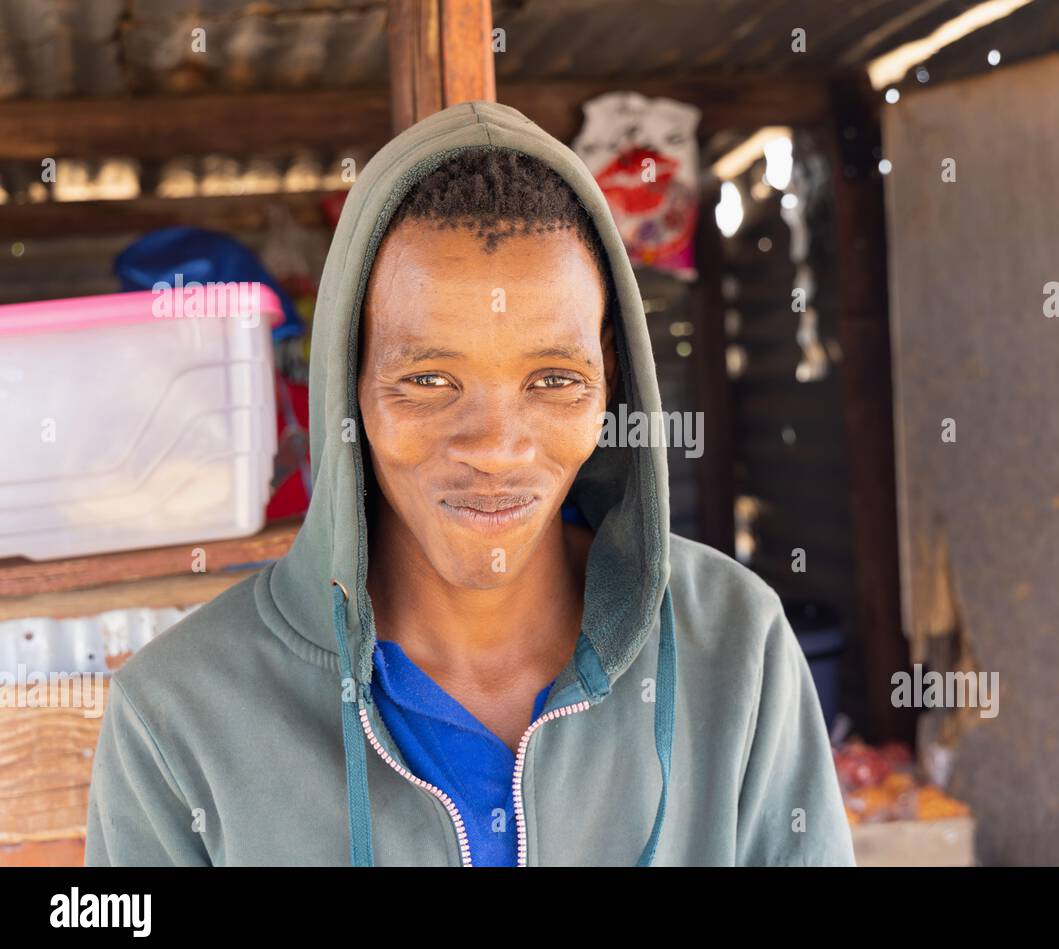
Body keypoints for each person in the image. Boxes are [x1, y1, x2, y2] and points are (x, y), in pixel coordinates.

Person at [84, 100, 856, 866]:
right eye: (426, 378)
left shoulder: (731, 647)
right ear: (347, 382)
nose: (494, 447)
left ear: (609, 381)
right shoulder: (177, 716)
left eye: (553, 378)